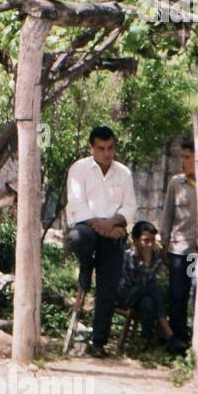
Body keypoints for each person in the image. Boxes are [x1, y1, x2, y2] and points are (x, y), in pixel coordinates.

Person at [65, 126, 137, 357]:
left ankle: (98, 342)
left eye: (111, 148)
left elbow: (130, 207)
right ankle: (86, 266)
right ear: (91, 148)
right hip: (88, 228)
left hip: (114, 230)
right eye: (101, 148)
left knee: (108, 285)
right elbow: (77, 205)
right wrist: (103, 226)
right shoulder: (79, 169)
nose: (107, 153)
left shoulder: (124, 173)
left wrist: (114, 223)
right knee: (77, 238)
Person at [159, 139, 197, 355]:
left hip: (197, 251)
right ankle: (178, 342)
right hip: (178, 250)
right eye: (182, 157)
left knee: (196, 293)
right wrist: (164, 242)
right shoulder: (177, 183)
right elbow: (168, 215)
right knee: (177, 294)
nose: (184, 161)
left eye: (188, 157)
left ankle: (197, 341)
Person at [119, 220, 176, 348]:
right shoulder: (127, 257)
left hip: (143, 296)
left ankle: (144, 341)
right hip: (126, 295)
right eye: (146, 240)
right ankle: (166, 328)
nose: (150, 245)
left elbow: (146, 284)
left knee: (148, 302)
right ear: (135, 240)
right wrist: (145, 263)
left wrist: (148, 261)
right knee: (153, 288)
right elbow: (132, 284)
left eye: (152, 240)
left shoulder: (155, 257)